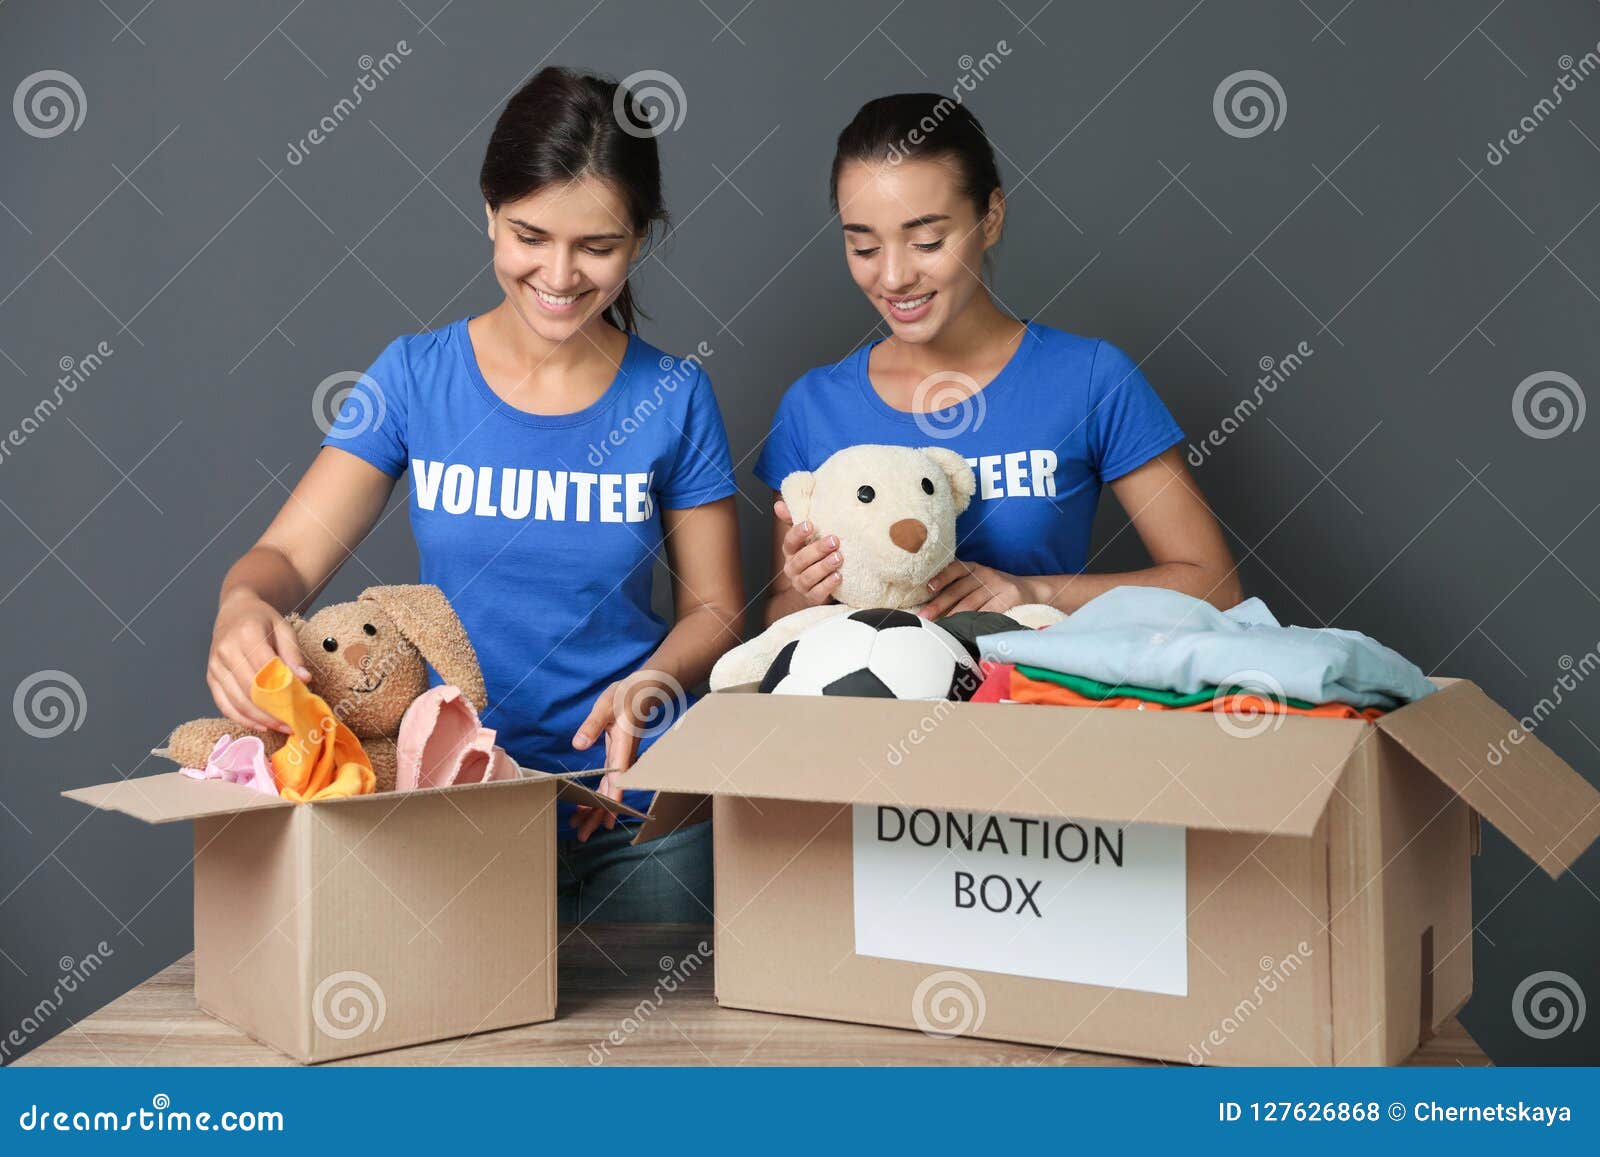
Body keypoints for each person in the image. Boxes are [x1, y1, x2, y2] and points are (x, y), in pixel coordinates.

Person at [204, 67, 743, 922]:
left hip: (635, 809)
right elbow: (286, 558)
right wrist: (241, 603)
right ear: (490, 209)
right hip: (454, 802)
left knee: (655, 1051)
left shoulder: (673, 396)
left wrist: (654, 682)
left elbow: (716, 608)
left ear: (640, 237)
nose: (559, 274)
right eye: (530, 234)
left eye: (596, 246)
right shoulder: (416, 378)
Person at [756, 94, 1240, 627]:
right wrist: (807, 590)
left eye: (926, 241)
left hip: (1035, 703)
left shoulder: (1090, 379)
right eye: (864, 248)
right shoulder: (812, 405)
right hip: (872, 707)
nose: (892, 277)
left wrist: (1032, 590)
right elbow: (779, 613)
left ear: (991, 218)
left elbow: (1215, 587)